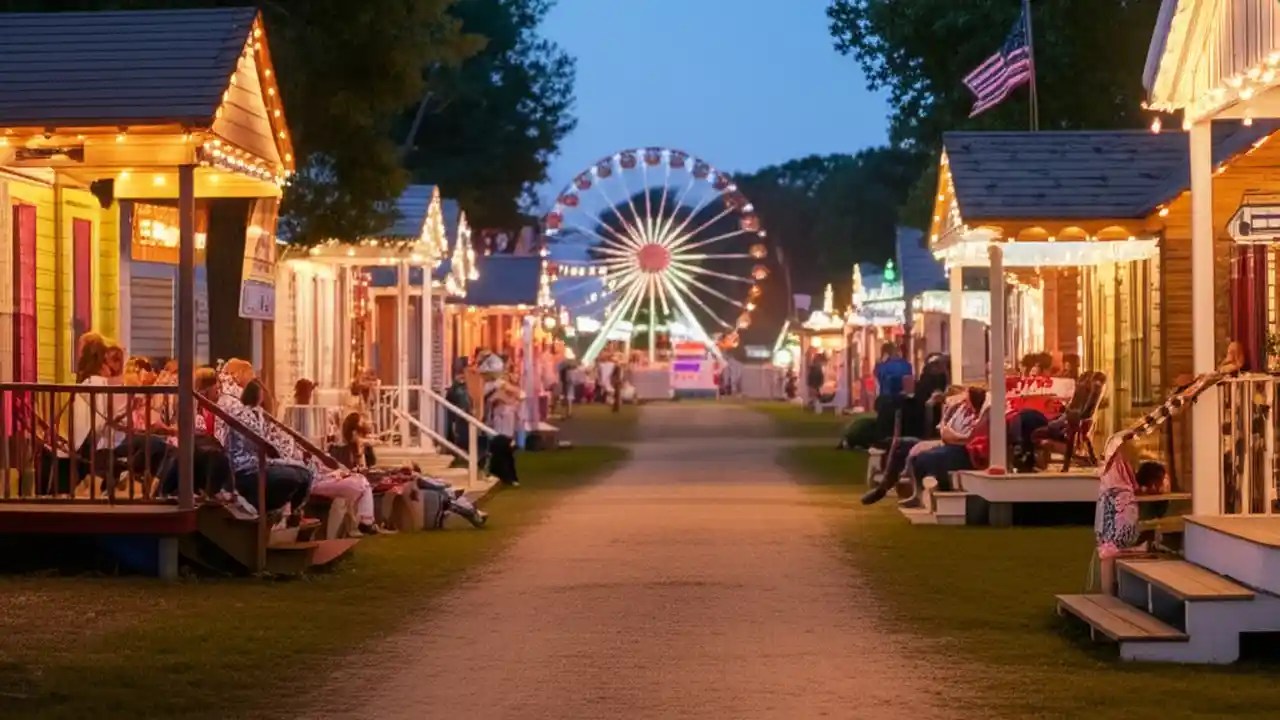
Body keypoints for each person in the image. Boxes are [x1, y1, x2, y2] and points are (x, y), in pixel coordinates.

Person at [901, 387, 989, 507]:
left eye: (967, 399)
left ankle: (935, 489)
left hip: (964, 451)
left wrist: (951, 436)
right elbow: (945, 430)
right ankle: (917, 493)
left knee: (927, 457)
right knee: (915, 453)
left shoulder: (978, 419)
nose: (964, 402)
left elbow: (967, 439)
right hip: (952, 445)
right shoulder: (962, 412)